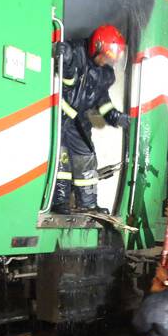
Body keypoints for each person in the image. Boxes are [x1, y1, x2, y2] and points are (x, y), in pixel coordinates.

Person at [50, 25, 131, 214]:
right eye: (107, 57)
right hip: (60, 117)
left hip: (79, 122)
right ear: (97, 47)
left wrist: (114, 116)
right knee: (61, 160)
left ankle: (88, 204)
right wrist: (65, 62)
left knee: (86, 159)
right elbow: (64, 83)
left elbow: (102, 100)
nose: (107, 62)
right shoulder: (75, 52)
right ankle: (59, 202)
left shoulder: (105, 73)